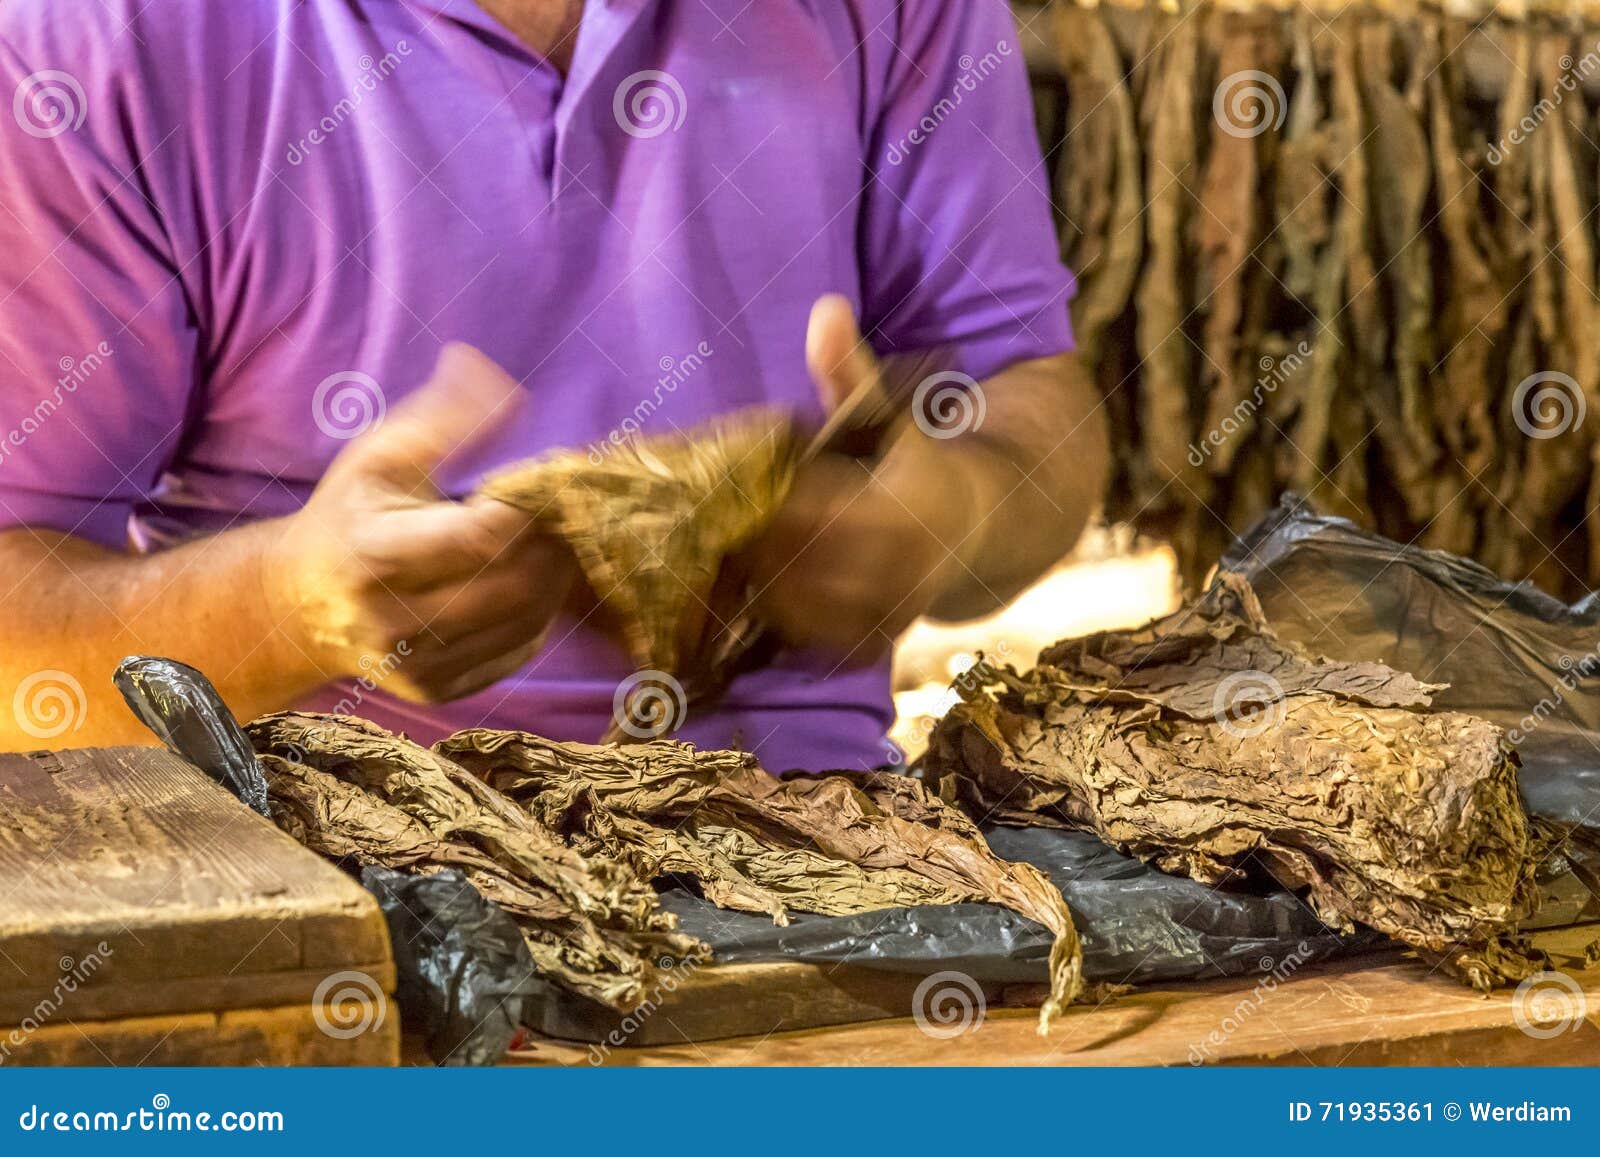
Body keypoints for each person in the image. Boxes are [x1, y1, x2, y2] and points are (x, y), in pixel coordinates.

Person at [0, 0, 1106, 770]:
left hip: (815, 857)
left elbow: (1030, 404)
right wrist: (283, 609)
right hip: (317, 865)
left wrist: (946, 516)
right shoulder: (89, 42)